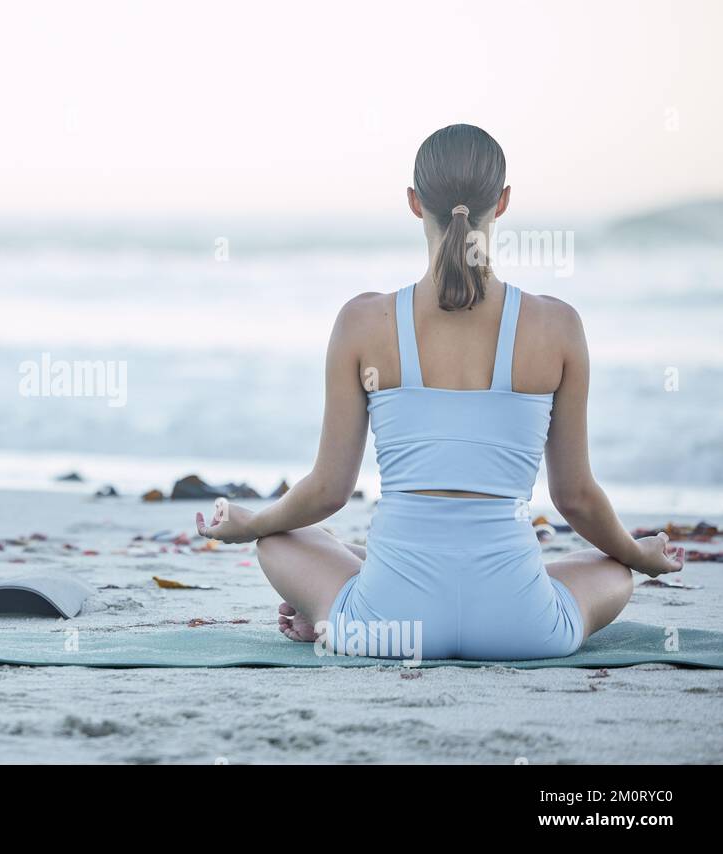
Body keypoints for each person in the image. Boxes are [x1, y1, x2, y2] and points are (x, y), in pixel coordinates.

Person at [196, 124, 684, 660]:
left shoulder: (363, 322)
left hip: (386, 628)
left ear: (413, 202)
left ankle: (338, 607)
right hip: (523, 629)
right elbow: (578, 500)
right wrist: (638, 555)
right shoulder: (558, 326)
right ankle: (455, 580)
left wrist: (251, 525)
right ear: (502, 203)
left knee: (280, 540)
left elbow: (328, 491)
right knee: (611, 568)